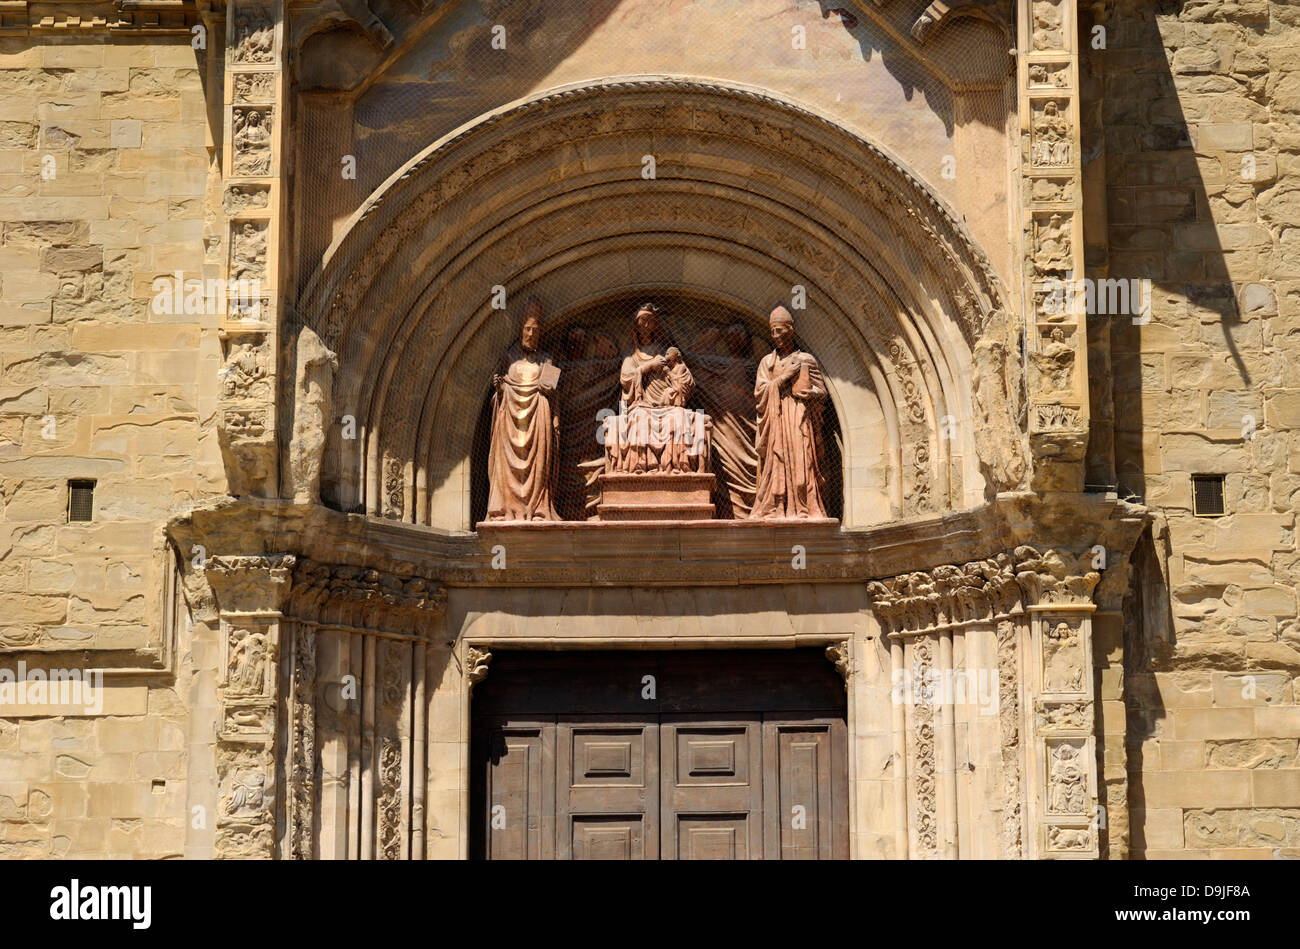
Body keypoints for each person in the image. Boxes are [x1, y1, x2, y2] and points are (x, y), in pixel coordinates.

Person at [486, 300, 560, 520]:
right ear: (520, 330)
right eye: (527, 329)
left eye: (535, 330)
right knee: (507, 468)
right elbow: (498, 396)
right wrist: (500, 390)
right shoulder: (509, 357)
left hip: (538, 421)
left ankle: (537, 508)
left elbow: (551, 387)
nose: (531, 334)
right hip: (510, 424)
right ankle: (507, 509)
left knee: (539, 469)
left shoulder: (548, 358)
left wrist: (543, 387)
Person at [752, 305, 828, 519]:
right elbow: (760, 392)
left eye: (781, 330)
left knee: (803, 461)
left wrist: (808, 393)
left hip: (799, 416)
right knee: (777, 461)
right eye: (773, 331)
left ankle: (805, 508)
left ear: (791, 330)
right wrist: (785, 377)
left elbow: (822, 391)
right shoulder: (767, 362)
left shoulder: (806, 360)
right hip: (776, 418)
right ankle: (778, 507)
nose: (777, 336)